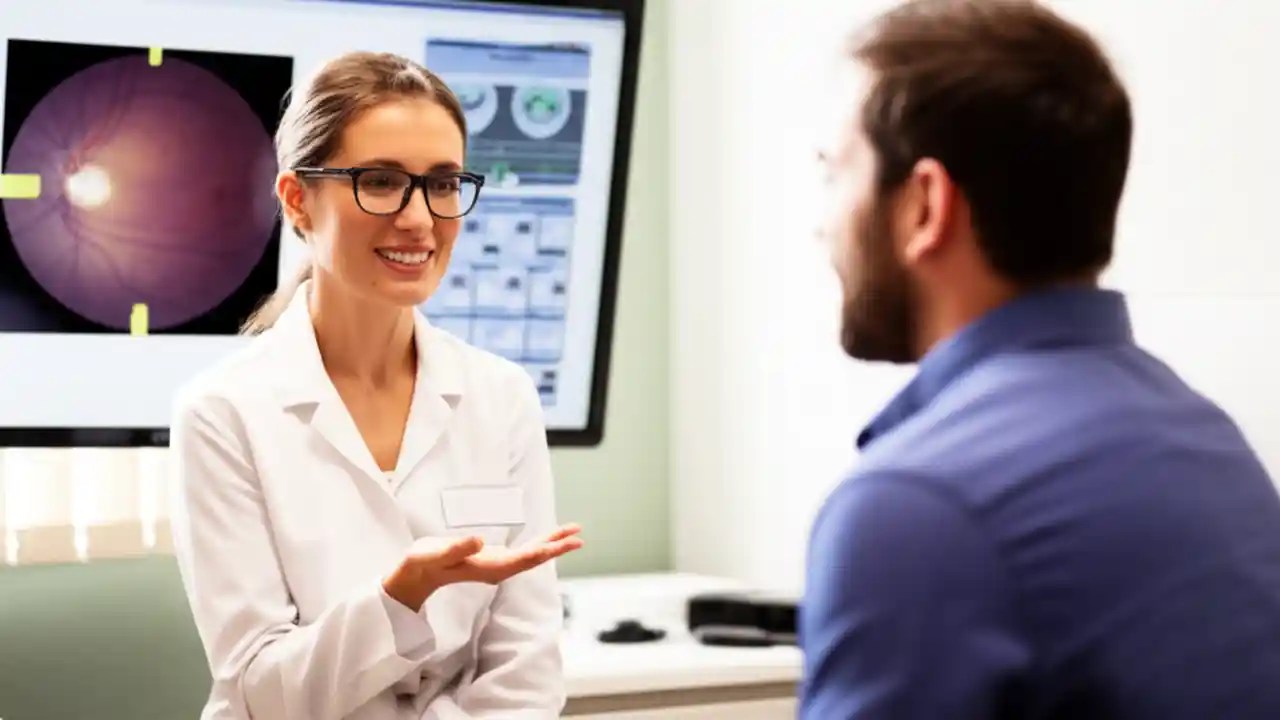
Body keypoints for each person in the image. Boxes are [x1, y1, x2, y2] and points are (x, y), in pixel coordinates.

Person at [801, 1, 1280, 718]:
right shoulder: (1210, 445)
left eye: (836, 174)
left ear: (925, 205)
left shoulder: (917, 504)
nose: (822, 224)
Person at [169, 51, 584, 720]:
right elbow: (262, 691)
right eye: (382, 181)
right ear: (298, 200)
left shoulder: (501, 398)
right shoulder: (222, 412)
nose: (420, 218)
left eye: (444, 184)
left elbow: (525, 671)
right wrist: (396, 601)